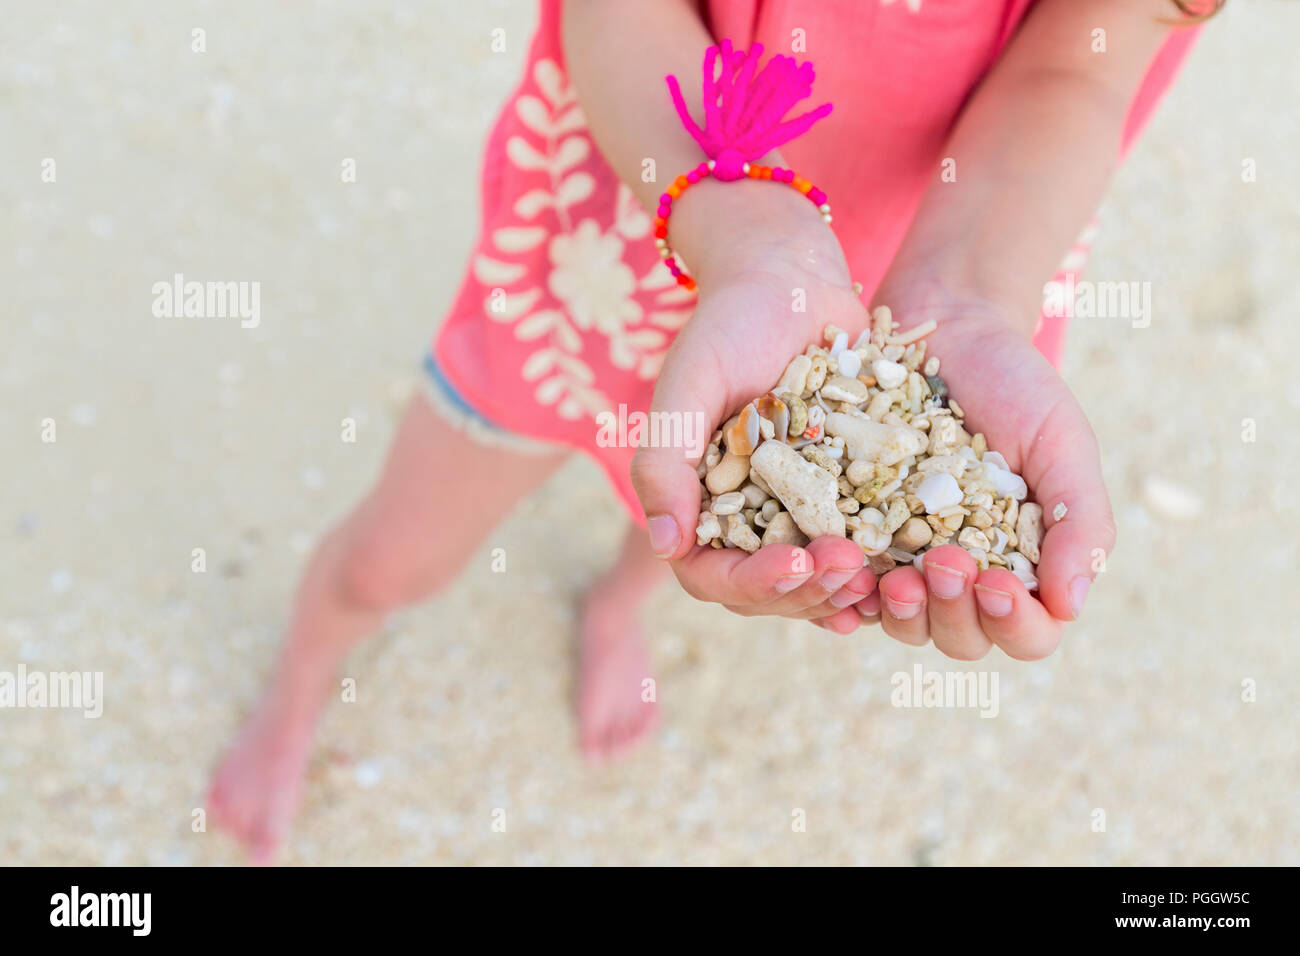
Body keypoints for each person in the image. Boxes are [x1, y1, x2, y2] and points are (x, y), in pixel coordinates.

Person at [209, 0, 1214, 862]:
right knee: (395, 553)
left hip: (917, 250)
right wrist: (749, 241)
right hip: (649, 198)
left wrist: (968, 295)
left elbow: (1075, 62)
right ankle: (303, 673)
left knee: (717, 489)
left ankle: (617, 599)